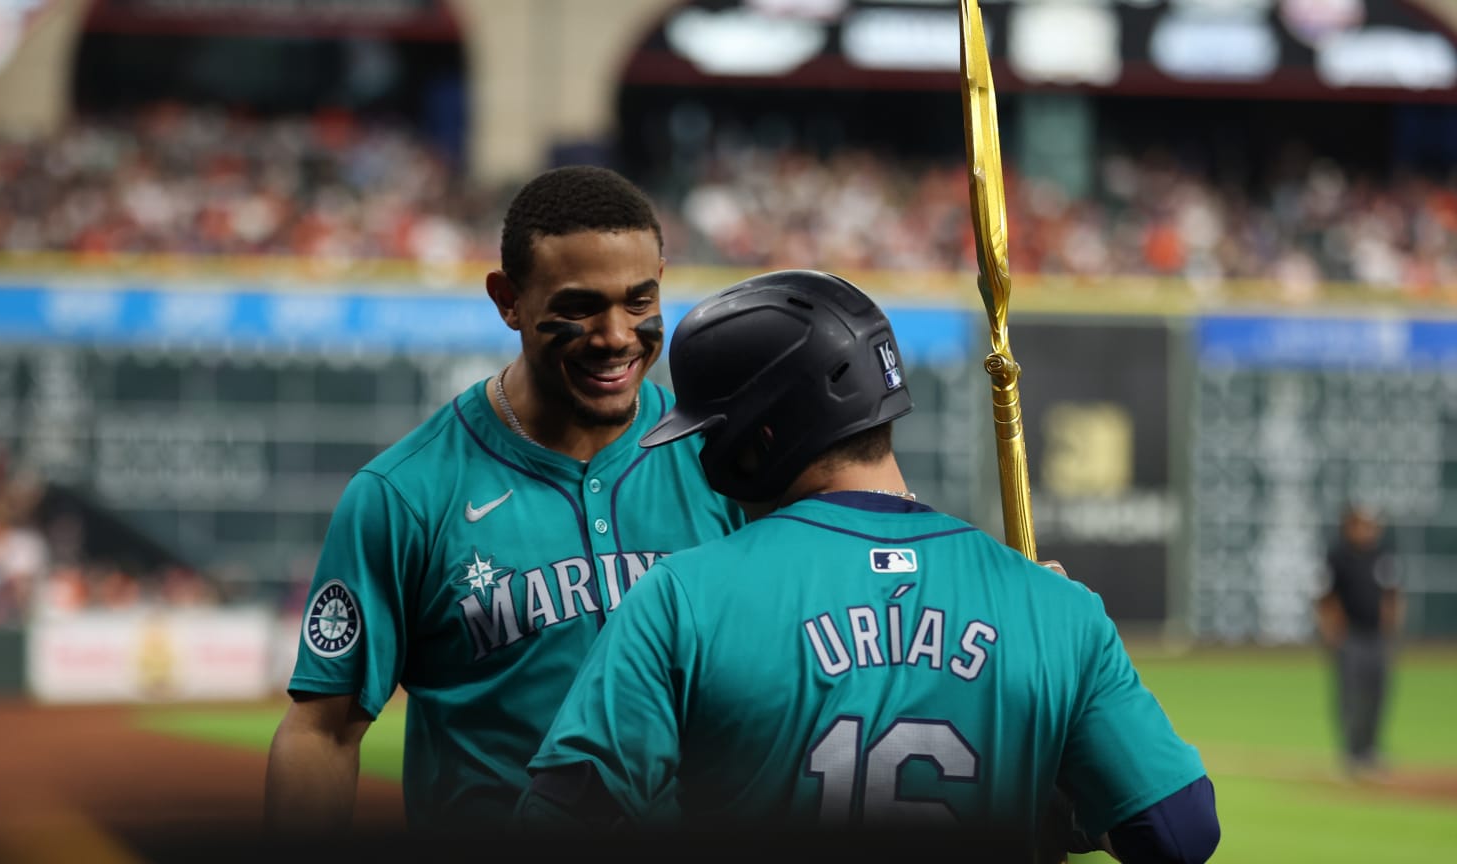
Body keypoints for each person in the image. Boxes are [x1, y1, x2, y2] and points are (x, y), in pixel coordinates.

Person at [515, 270, 1220, 863]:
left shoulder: (682, 597)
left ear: (759, 438)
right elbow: (1181, 834)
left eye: (710, 437)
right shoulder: (1057, 609)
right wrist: (1059, 802)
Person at [263, 165, 745, 833]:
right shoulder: (404, 495)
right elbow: (323, 734)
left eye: (639, 301)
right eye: (579, 307)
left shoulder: (724, 458)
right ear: (508, 299)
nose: (615, 336)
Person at [1316, 504, 1401, 778]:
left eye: (1372, 525)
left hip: (1376, 635)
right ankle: (1352, 755)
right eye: (1363, 525)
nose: (1369, 530)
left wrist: (1391, 629)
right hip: (1350, 636)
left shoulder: (1382, 555)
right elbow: (1325, 597)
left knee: (1378, 694)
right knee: (1350, 697)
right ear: (1350, 526)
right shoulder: (1337, 556)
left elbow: (1392, 594)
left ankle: (1370, 750)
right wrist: (1332, 631)